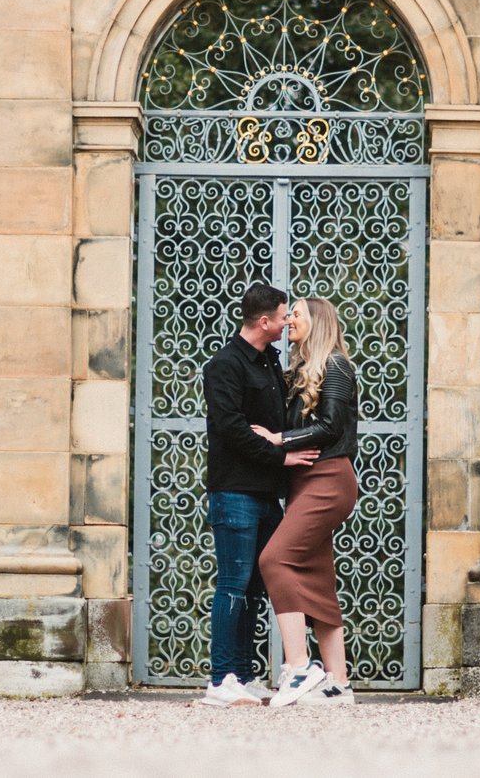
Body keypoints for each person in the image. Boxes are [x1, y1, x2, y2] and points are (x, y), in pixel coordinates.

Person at [197, 282, 317, 708]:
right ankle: (220, 679)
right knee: (232, 584)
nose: (288, 323)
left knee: (255, 588)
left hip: (267, 494)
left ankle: (243, 676)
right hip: (235, 492)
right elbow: (231, 430)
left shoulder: (270, 362)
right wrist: (281, 457)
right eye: (284, 317)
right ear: (264, 321)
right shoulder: (224, 366)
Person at [254, 296, 361, 708]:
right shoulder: (301, 370)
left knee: (274, 560)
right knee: (316, 578)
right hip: (306, 482)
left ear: (318, 321)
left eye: (295, 314)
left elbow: (331, 424)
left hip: (328, 478)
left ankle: (298, 668)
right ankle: (338, 683)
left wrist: (281, 440)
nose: (289, 320)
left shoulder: (336, 365)